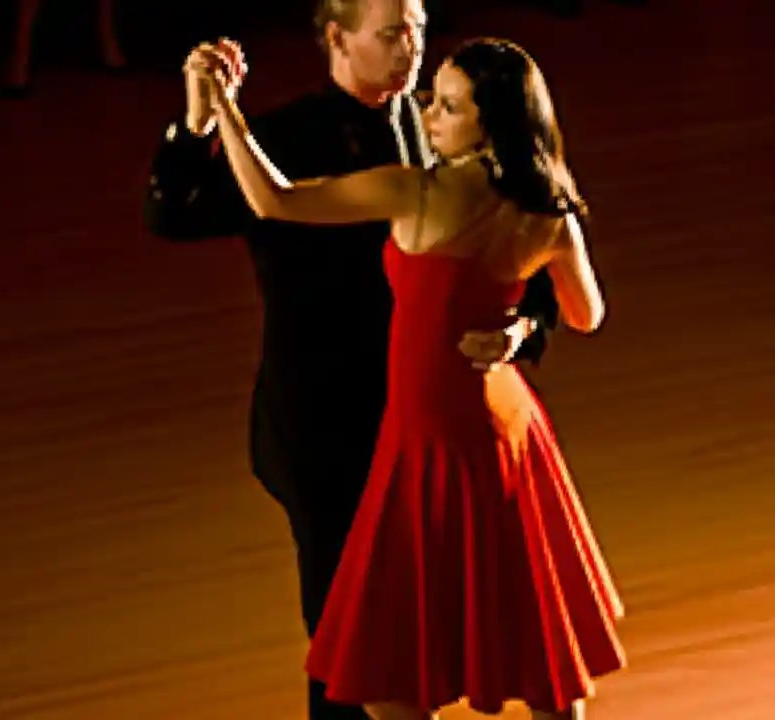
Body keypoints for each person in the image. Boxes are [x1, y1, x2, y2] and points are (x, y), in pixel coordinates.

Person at [141, 3, 561, 720]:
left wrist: (522, 330)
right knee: (349, 641)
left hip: (429, 428)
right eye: (392, 33)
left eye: (420, 29)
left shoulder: (449, 133)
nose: (414, 49)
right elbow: (174, 214)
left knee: (427, 620)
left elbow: (536, 265)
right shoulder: (282, 137)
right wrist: (200, 122)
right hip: (327, 426)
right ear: (337, 38)